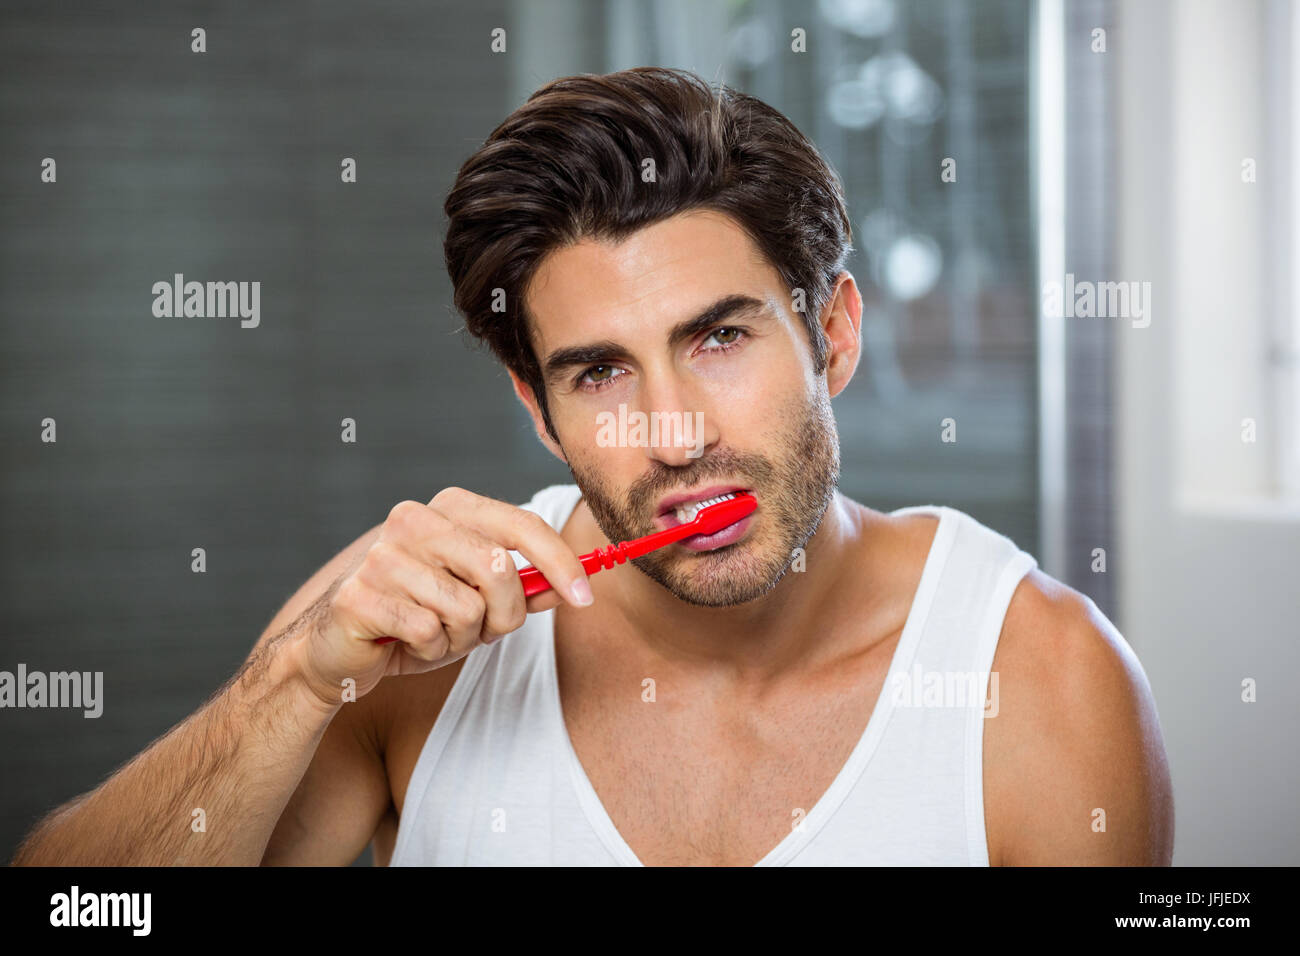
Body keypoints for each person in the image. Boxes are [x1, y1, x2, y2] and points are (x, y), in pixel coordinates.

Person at [13, 67, 1173, 867]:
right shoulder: (401, 650)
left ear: (833, 335)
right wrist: (293, 687)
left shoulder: (1042, 679)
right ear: (536, 408)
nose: (672, 434)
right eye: (599, 374)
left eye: (719, 339)